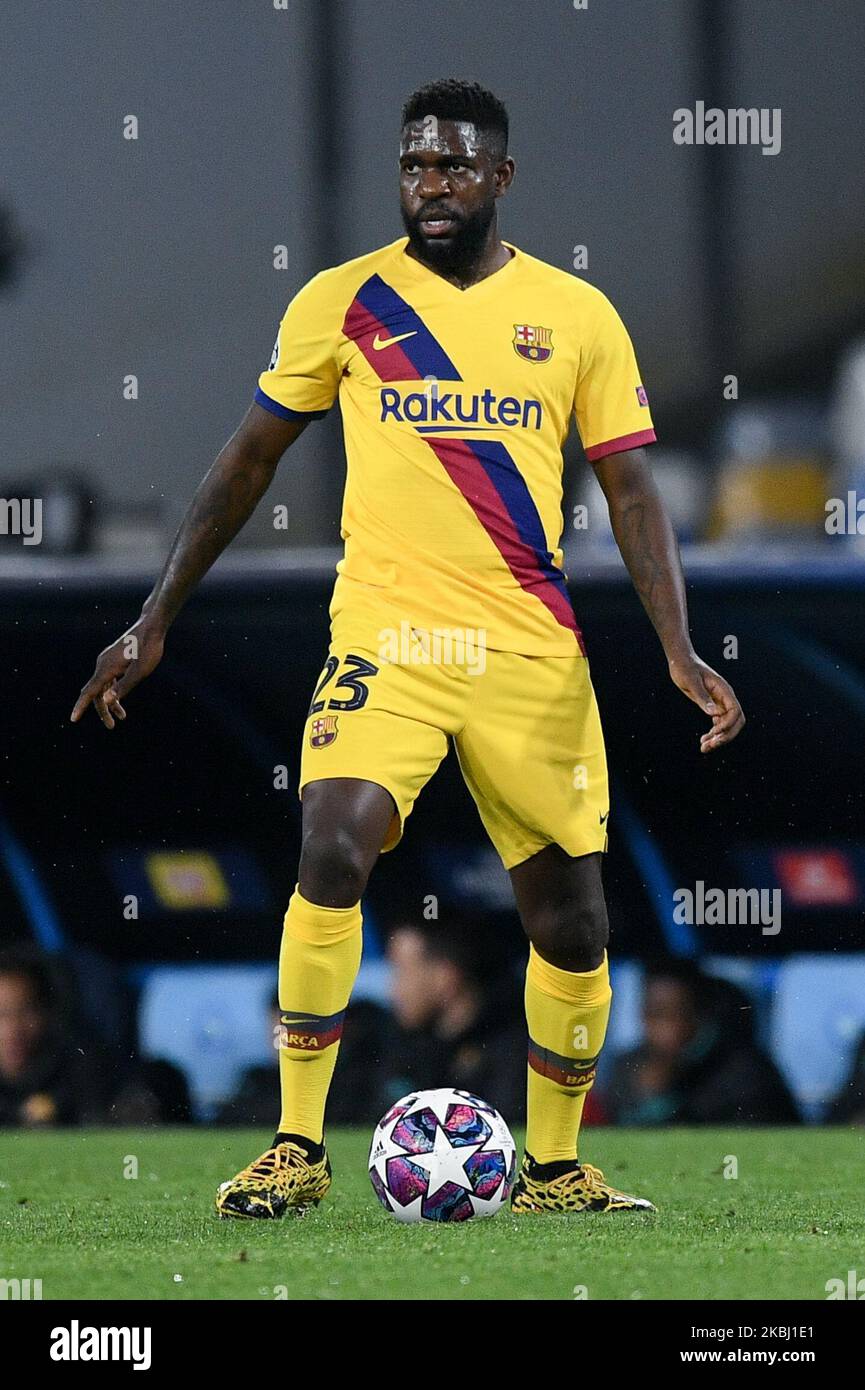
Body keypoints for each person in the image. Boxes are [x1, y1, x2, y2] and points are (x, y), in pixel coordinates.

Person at [71, 79, 744, 1218]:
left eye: (455, 167)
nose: (431, 186)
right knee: (331, 844)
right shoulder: (344, 303)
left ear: (502, 178)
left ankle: (556, 1168)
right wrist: (156, 613)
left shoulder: (576, 314)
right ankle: (294, 1144)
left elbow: (632, 492)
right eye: (416, 166)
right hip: (386, 634)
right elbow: (244, 463)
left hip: (527, 647)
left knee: (571, 919)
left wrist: (677, 647)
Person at [604, 964, 798, 1126]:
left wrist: (669, 1091)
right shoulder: (627, 1065)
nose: (670, 1027)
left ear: (702, 1013)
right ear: (642, 1014)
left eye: (682, 1013)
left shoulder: (743, 1071)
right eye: (657, 1014)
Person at [0, 948, 107, 1126]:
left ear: (47, 1013)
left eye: (26, 1011)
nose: (13, 1029)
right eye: (2, 1014)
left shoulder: (80, 1069)